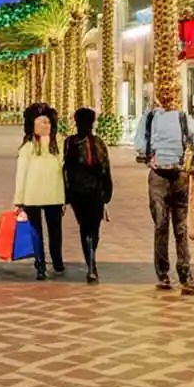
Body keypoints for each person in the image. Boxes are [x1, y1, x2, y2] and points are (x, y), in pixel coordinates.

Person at [133, 85, 194, 294]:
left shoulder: (149, 118)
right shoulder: (184, 118)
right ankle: (185, 275)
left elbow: (139, 144)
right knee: (180, 228)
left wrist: (152, 152)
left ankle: (163, 275)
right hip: (180, 175)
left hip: (157, 177)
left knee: (160, 226)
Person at [13, 105, 65, 281]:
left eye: (48, 122)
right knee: (35, 231)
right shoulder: (27, 147)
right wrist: (19, 199)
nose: (45, 125)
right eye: (40, 122)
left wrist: (65, 198)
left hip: (55, 195)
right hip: (32, 196)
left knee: (55, 230)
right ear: (31, 124)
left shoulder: (59, 143)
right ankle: (40, 264)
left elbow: (64, 169)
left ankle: (57, 260)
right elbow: (21, 174)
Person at [63, 107, 112, 285]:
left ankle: (91, 263)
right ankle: (91, 266)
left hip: (83, 192)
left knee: (87, 228)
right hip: (90, 192)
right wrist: (107, 193)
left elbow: (66, 169)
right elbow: (105, 169)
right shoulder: (94, 143)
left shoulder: (76, 142)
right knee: (91, 228)